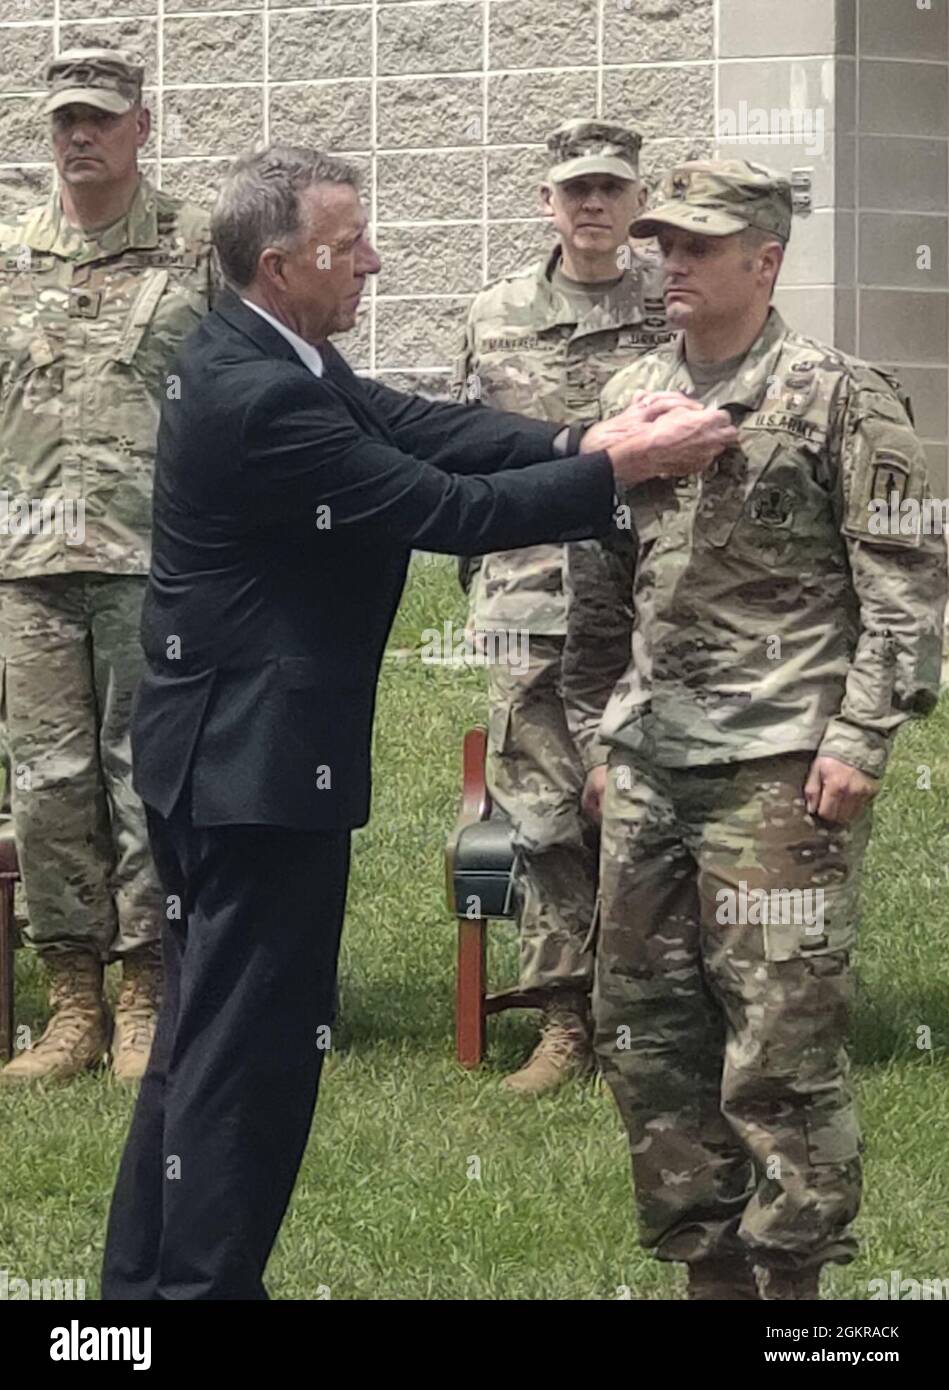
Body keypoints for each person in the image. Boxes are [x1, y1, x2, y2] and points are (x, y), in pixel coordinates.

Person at [99, 144, 737, 1300]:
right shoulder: (260, 396)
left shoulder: (271, 351)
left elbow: (425, 426)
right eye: (351, 247)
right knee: (247, 1061)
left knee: (202, 1046)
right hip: (254, 769)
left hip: (222, 755)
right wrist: (626, 469)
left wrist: (574, 441)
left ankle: (141, 1299)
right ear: (282, 263)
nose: (376, 263)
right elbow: (439, 506)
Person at [568, 159, 947, 1301]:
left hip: (780, 768)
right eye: (663, 243)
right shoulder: (634, 392)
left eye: (697, 245)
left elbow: (907, 580)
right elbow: (597, 584)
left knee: (779, 1042)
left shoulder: (839, 394)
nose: (670, 262)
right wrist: (595, 736)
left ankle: (793, 1291)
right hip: (647, 762)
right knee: (645, 1030)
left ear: (764, 259)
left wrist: (861, 736)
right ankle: (707, 1273)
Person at [0, 48, 216, 1083]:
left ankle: (148, 994)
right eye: (63, 122)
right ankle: (70, 1001)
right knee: (45, 784)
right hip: (29, 562)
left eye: (99, 118)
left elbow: (245, 395)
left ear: (142, 125)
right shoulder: (8, 255)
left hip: (153, 561)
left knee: (147, 780)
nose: (79, 137)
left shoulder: (199, 251)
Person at [455, 119, 673, 1094]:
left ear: (635, 203)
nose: (591, 205)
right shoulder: (493, 312)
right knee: (541, 814)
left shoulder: (674, 310)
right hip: (528, 594)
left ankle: (648, 1013)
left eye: (609, 189)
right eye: (574, 189)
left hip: (646, 601)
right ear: (546, 200)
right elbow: (463, 454)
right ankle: (561, 1017)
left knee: (646, 804)